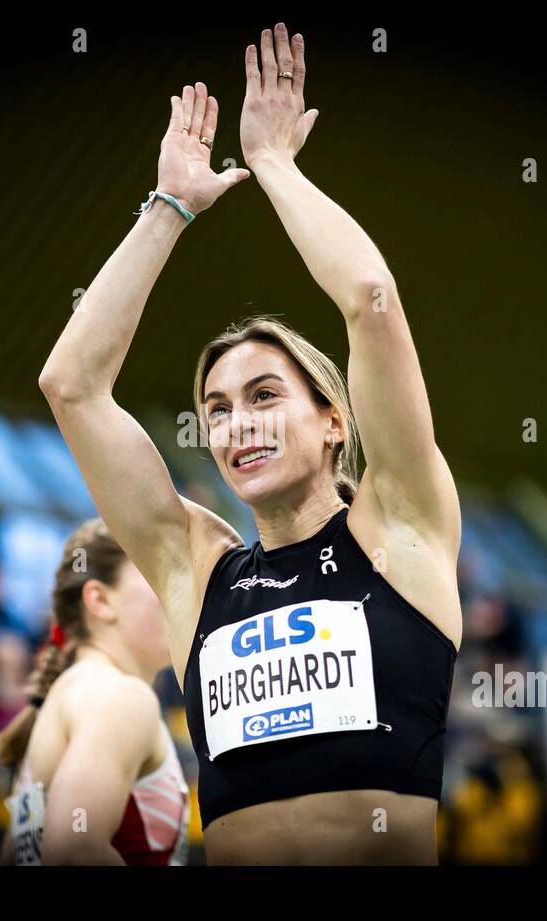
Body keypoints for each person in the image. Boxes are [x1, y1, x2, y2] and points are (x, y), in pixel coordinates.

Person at [38, 22, 461, 864]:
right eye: (219, 408)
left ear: (335, 421)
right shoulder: (194, 566)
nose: (238, 424)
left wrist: (272, 165)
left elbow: (371, 298)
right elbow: (72, 386)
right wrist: (170, 210)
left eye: (265, 395)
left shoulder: (399, 527)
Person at [0, 518, 189, 865]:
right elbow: (73, 851)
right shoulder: (119, 697)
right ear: (99, 600)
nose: (178, 592)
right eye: (156, 574)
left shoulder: (65, 699)